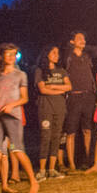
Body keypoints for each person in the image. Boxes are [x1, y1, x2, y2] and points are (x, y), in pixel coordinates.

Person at [0, 44, 39, 193]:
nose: (10, 57)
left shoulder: (20, 75)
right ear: (1, 56)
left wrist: (11, 105)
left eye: (13, 54)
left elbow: (25, 98)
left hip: (13, 117)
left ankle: (33, 182)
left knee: (17, 150)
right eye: (7, 54)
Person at [62, 31, 97, 172]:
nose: (83, 40)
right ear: (72, 41)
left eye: (84, 38)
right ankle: (71, 163)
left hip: (88, 96)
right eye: (79, 39)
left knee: (87, 130)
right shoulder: (68, 56)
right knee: (71, 131)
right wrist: (72, 47)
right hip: (73, 96)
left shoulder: (86, 55)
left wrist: (84, 46)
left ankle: (88, 160)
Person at [33, 46, 71, 180]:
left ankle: (52, 169)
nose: (56, 55)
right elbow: (42, 90)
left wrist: (54, 87)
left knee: (56, 136)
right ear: (46, 54)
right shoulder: (40, 71)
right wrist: (60, 91)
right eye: (53, 52)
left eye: (58, 53)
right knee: (45, 136)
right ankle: (42, 170)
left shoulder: (61, 71)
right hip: (45, 107)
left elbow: (69, 86)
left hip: (59, 107)